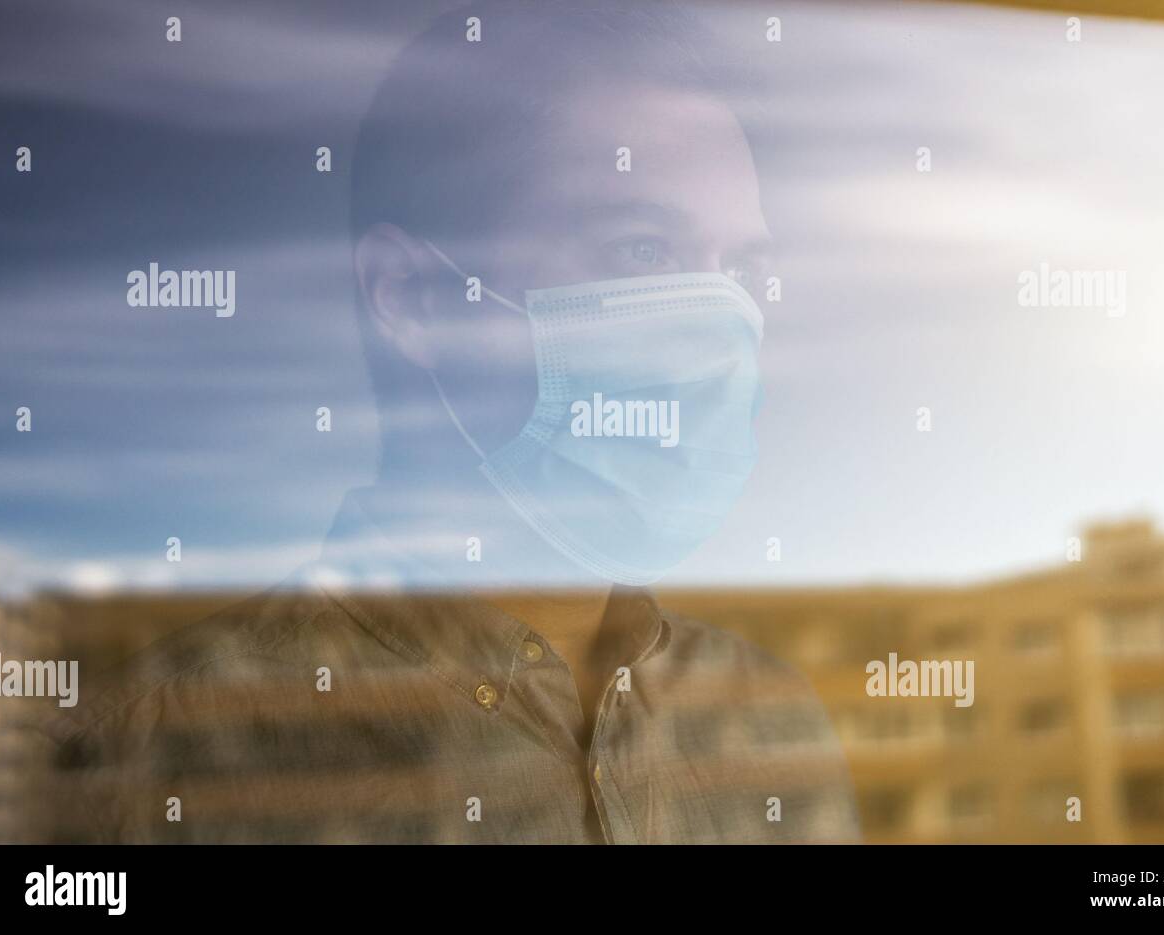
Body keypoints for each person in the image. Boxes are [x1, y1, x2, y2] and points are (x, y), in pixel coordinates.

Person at [48, 0, 858, 844]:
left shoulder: (773, 724)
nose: (717, 333)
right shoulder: (153, 763)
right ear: (412, 296)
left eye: (742, 274)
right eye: (641, 250)